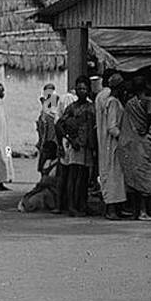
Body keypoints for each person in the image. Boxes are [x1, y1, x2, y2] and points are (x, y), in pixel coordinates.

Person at [118, 77, 151, 220]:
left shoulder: (130, 103)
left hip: (131, 144)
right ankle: (143, 211)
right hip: (144, 143)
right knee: (144, 178)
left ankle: (137, 212)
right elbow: (148, 115)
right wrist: (146, 127)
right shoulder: (148, 101)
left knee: (135, 179)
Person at [55, 79, 96, 217]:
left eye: (84, 89)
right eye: (79, 89)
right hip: (76, 146)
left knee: (84, 177)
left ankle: (83, 204)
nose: (81, 91)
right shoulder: (72, 107)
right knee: (74, 176)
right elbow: (60, 124)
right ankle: (72, 206)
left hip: (88, 146)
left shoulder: (92, 107)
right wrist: (69, 139)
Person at [94, 72, 127, 219]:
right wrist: (125, 138)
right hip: (113, 144)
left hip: (108, 143)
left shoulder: (104, 98)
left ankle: (116, 208)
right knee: (113, 175)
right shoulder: (112, 102)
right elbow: (112, 127)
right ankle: (112, 209)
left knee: (114, 175)